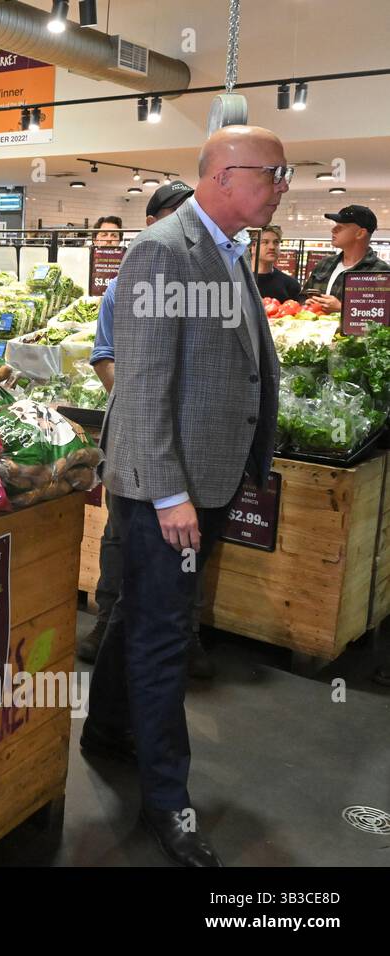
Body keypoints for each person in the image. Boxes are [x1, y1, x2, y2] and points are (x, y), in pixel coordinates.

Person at [84, 126, 285, 867]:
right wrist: (171, 497)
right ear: (227, 175)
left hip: (208, 480)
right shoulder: (162, 251)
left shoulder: (228, 251)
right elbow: (139, 387)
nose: (283, 185)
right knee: (165, 639)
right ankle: (170, 802)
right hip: (170, 492)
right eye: (275, 172)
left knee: (147, 614)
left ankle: (104, 729)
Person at [82, 180, 217, 681]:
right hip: (136, 434)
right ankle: (105, 627)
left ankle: (189, 634)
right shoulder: (125, 285)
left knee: (187, 541)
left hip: (187, 437)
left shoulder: (209, 280)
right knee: (121, 535)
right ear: (158, 219)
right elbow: (104, 357)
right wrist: (141, 405)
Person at [301, 205, 390, 314]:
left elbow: (384, 314)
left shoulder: (381, 272)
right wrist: (307, 303)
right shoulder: (324, 264)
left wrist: (342, 308)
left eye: (341, 227)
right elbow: (302, 298)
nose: (333, 230)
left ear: (360, 233)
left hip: (352, 331)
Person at [251, 224, 302, 302]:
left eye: (276, 242)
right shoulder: (237, 279)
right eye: (265, 242)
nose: (272, 247)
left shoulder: (291, 285)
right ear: (253, 247)